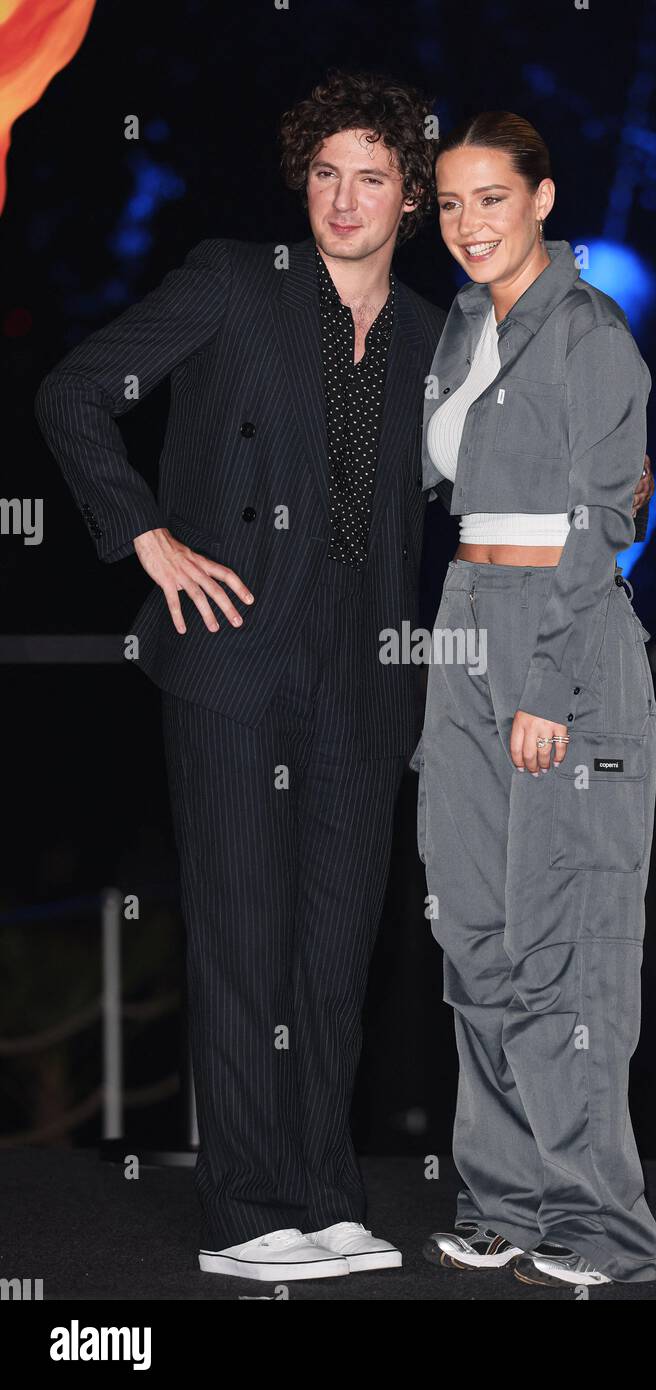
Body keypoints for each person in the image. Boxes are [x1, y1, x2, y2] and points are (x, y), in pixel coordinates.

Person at [34, 68, 450, 1284]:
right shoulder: (230, 280)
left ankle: (322, 1192)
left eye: (370, 176)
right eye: (324, 172)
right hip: (233, 660)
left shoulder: (434, 331)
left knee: (334, 947)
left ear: (409, 196)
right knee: (242, 936)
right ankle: (240, 1213)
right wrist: (146, 537)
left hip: (365, 677)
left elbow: (485, 474)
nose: (342, 196)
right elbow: (73, 394)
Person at [413, 111, 656, 1287]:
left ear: (542, 200)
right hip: (463, 624)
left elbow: (605, 518)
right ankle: (504, 1199)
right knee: (472, 933)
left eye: (490, 199)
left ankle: (599, 1228)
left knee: (564, 948)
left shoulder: (591, 332)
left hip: (562, 644)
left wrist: (551, 681)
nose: (467, 223)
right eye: (451, 203)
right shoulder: (465, 323)